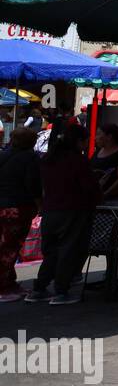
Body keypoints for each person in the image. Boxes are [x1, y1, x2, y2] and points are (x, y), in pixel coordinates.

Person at [27, 124, 100, 305]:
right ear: (78, 141)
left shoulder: (48, 159)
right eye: (84, 141)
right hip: (72, 209)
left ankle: (39, 288)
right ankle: (60, 291)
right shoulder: (77, 161)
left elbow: (37, 184)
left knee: (51, 251)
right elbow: (89, 186)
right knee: (68, 250)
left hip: (51, 209)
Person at [0, 127, 42, 303]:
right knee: (9, 247)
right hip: (18, 207)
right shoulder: (30, 158)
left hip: (3, 205)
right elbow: (33, 184)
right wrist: (40, 204)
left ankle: (9, 282)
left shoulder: (3, 155)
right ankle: (4, 286)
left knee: (5, 245)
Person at [90, 124, 118, 200]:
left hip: (112, 199)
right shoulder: (97, 152)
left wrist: (105, 195)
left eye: (98, 134)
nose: (95, 138)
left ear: (109, 137)